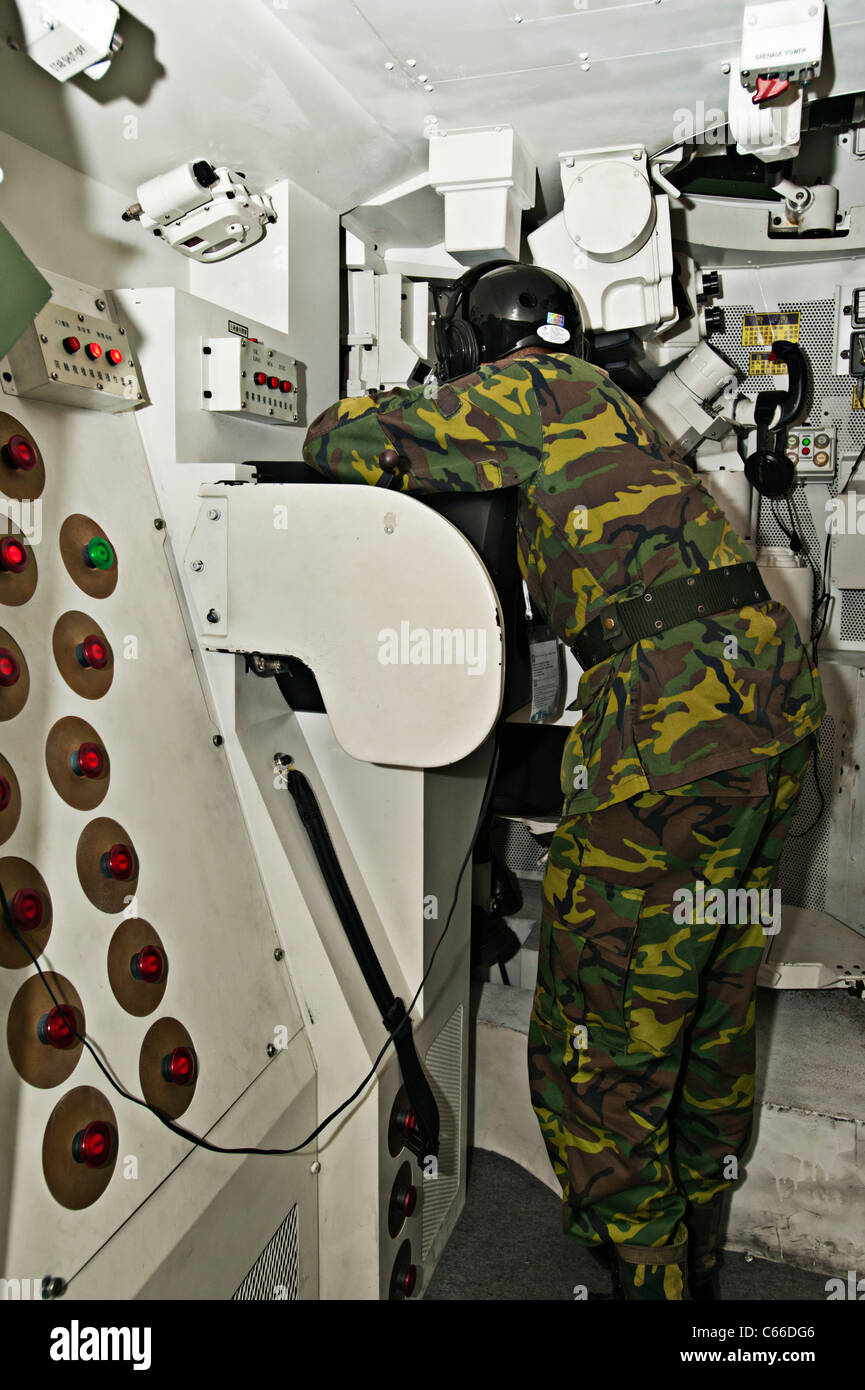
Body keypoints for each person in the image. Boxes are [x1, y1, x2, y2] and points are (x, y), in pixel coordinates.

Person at [301, 260, 824, 1300]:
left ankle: (649, 1284)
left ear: (475, 342)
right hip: (771, 712)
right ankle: (697, 1260)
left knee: (600, 1047)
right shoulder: (614, 405)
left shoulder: (531, 388)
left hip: (674, 730)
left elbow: (339, 440)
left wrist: (389, 395)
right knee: (706, 1002)